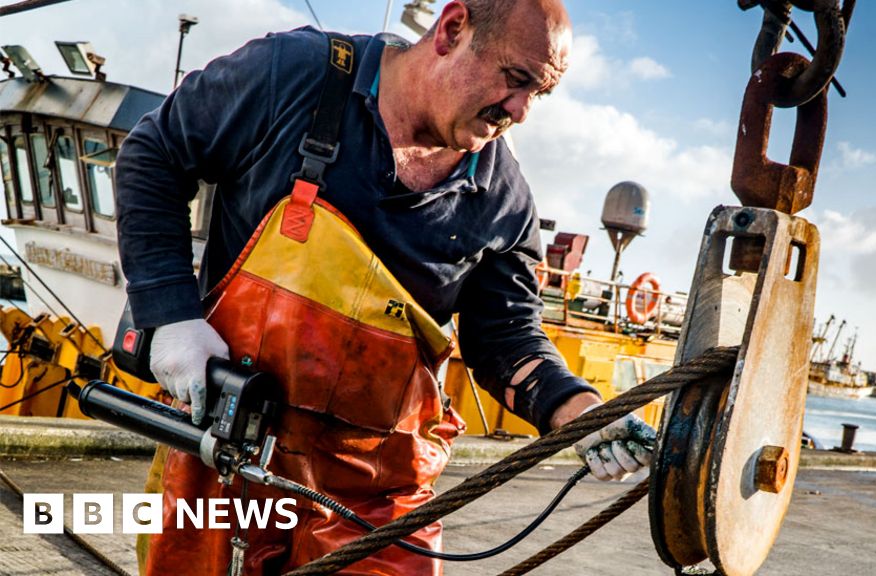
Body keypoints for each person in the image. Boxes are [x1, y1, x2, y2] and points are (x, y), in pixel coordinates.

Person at [116, 0, 655, 574]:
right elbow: (156, 154)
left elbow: (508, 339)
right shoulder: (294, 74)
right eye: (516, 79)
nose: (521, 111)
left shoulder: (505, 203)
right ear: (452, 29)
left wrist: (585, 412)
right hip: (225, 456)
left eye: (538, 95)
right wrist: (170, 314)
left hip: (374, 495)